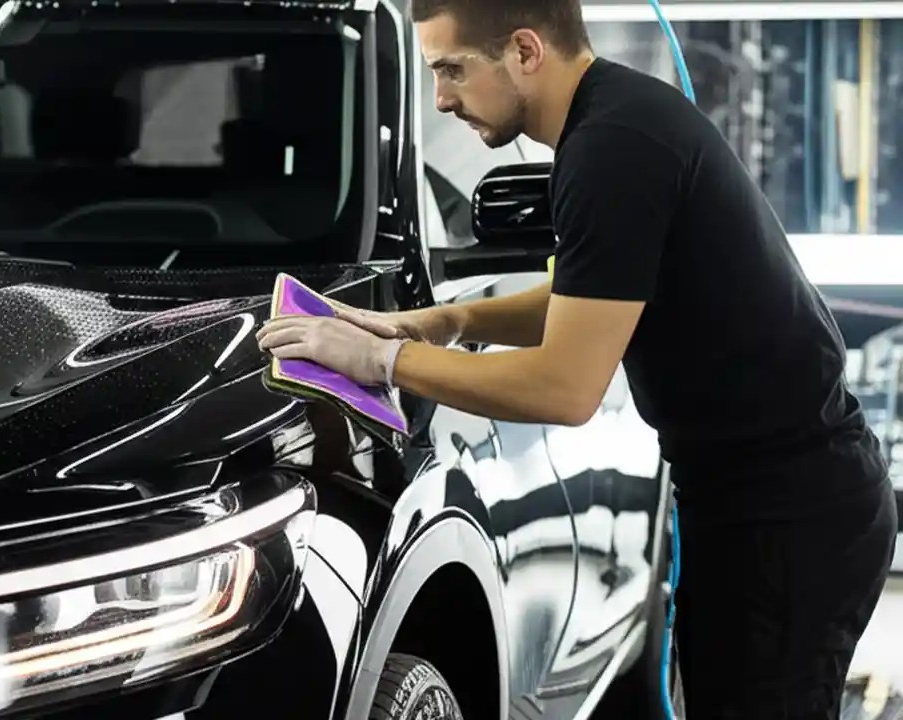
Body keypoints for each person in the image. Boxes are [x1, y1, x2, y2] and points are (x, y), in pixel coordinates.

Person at [255, 0, 898, 716]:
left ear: (526, 51)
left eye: (453, 70)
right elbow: (586, 296)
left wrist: (381, 361)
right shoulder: (612, 120)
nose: (442, 97)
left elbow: (565, 388)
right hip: (772, 497)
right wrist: (438, 321)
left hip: (788, 514)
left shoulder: (611, 150)